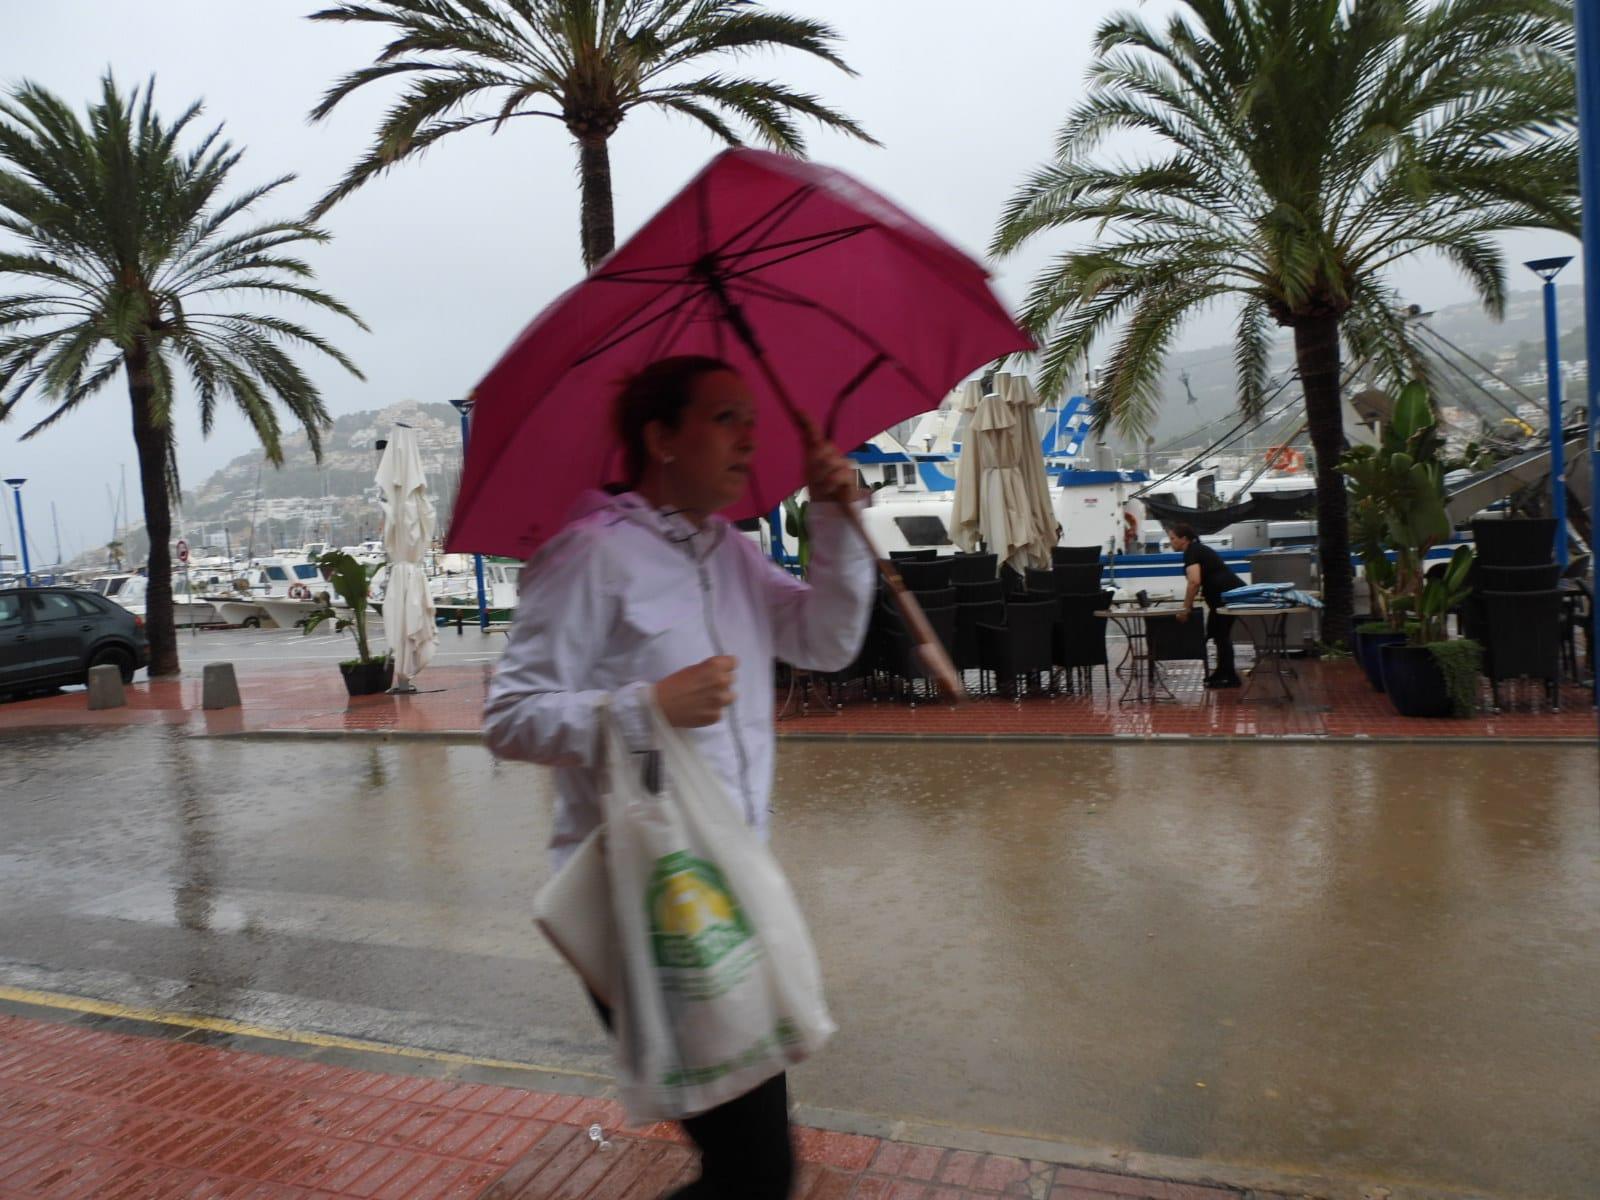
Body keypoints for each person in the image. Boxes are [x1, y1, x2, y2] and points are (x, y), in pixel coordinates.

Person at [482, 355, 876, 1200]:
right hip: (640, 901)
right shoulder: (589, 555)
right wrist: (643, 705)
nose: (750, 437)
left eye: (752, 420)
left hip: (724, 887)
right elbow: (509, 719)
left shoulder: (727, 553)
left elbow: (825, 641)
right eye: (726, 417)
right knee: (755, 1167)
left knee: (748, 1166)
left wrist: (837, 519)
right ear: (660, 438)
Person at [1167, 521, 1244, 687]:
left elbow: (1194, 581)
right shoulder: (1195, 550)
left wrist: (1185, 608)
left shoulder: (1192, 552)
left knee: (1221, 635)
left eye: (1173, 538)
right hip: (1223, 597)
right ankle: (1222, 672)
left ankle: (1230, 677)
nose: (1170, 542)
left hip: (1226, 597)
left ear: (1184, 539)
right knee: (1216, 633)